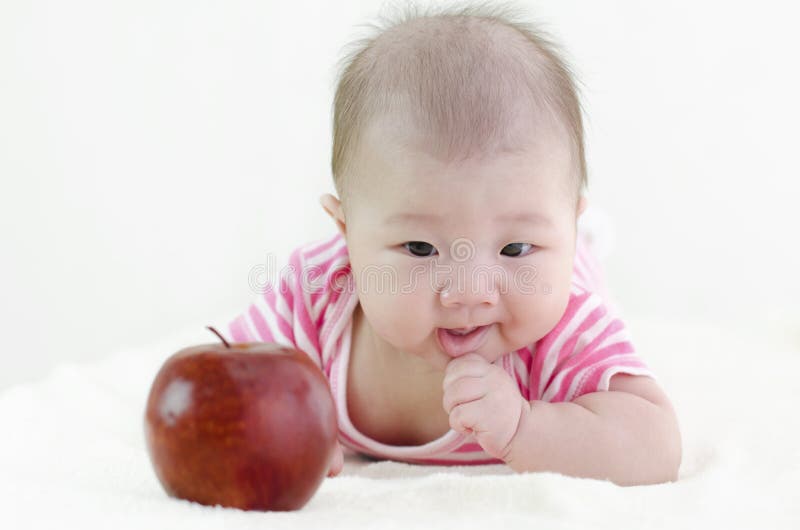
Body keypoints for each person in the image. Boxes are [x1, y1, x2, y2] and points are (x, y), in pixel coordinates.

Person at [219, 1, 681, 486]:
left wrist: (525, 427)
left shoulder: (562, 327)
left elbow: (656, 448)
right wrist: (283, 432)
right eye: (420, 248)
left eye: (515, 248)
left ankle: (581, 243)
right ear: (346, 233)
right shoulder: (315, 296)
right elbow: (228, 376)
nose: (469, 292)